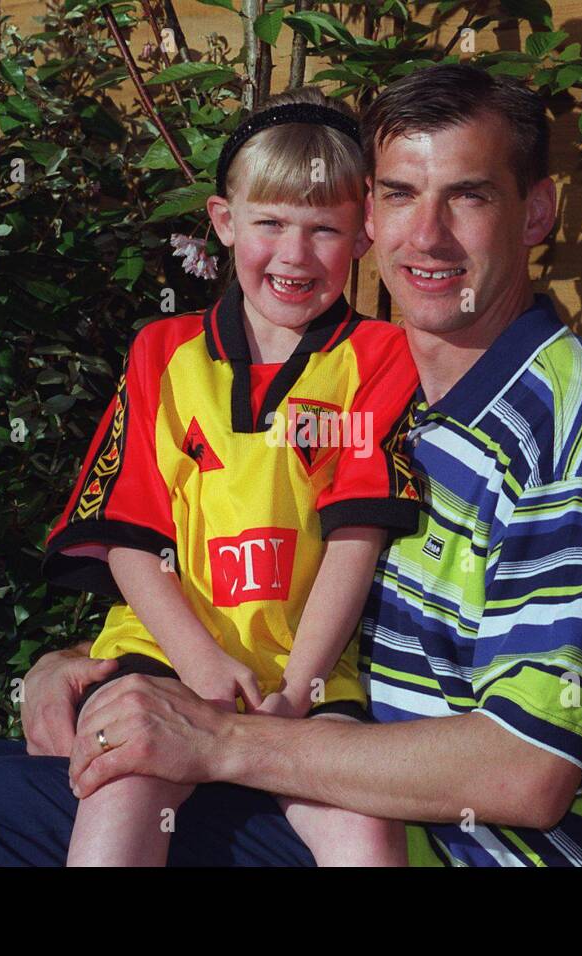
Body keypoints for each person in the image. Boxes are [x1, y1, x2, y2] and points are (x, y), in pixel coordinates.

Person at [0, 64, 582, 867]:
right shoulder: (402, 381)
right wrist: (100, 667)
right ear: (369, 215)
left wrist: (227, 738)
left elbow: (529, 769)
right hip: (333, 755)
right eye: (400, 195)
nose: (427, 234)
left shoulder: (573, 420)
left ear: (536, 214)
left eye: (469, 195)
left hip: (465, 840)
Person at [43, 85, 421, 866]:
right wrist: (202, 666)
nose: (293, 254)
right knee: (119, 793)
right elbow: (129, 539)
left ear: (364, 239)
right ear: (223, 221)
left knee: (368, 829)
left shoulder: (380, 357)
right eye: (270, 223)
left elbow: (356, 539)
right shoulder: (161, 352)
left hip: (311, 676)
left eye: (324, 229)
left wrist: (296, 689)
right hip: (167, 655)